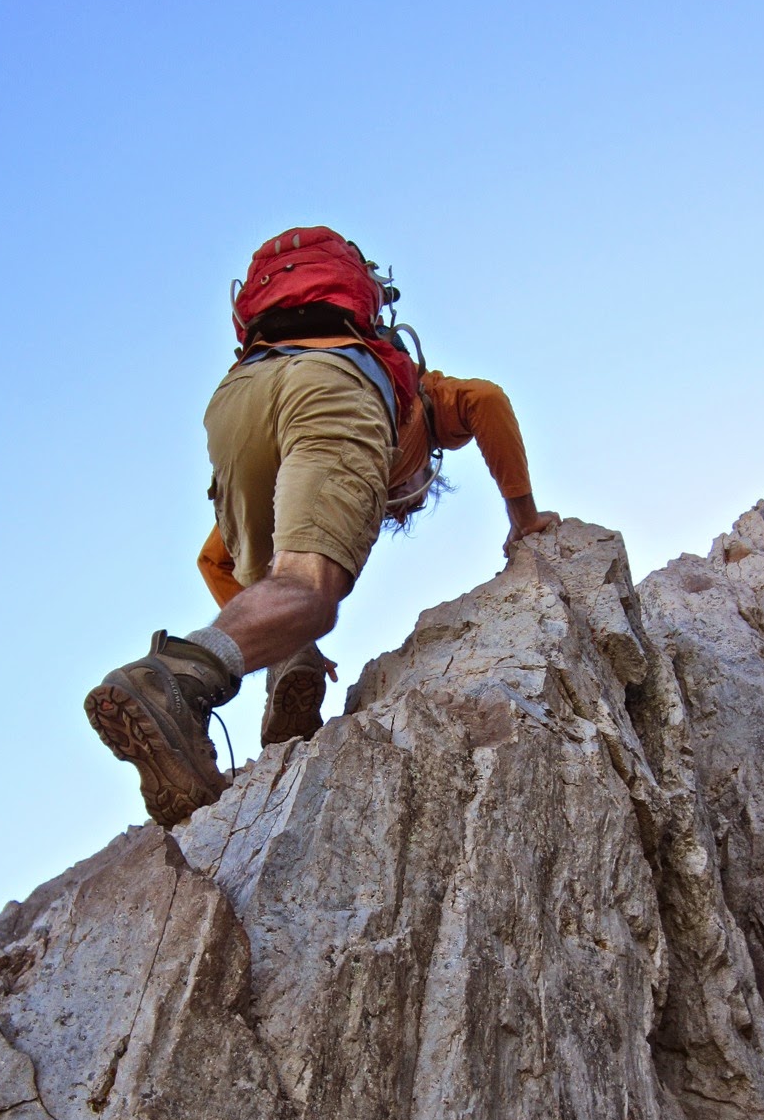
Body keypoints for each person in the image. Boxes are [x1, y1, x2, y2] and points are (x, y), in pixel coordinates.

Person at [86, 227, 557, 829]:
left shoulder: (271, 351)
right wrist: (525, 517)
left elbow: (214, 559)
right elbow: (487, 399)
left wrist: (279, 631)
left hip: (237, 401)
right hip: (334, 382)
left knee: (277, 589)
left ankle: (284, 663)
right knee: (309, 592)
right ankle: (178, 675)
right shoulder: (424, 397)